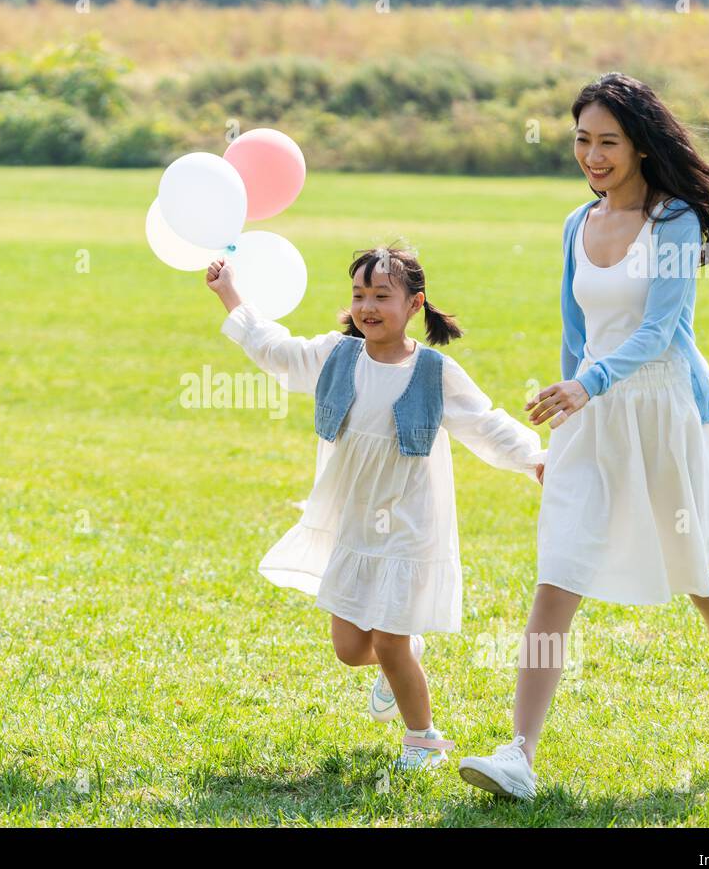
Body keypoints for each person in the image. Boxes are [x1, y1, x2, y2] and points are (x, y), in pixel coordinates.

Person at [459, 73, 709, 801]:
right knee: (557, 573)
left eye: (608, 142)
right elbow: (575, 332)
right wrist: (565, 424)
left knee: (701, 576)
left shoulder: (676, 220)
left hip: (662, 411)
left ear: (641, 145)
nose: (592, 154)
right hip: (591, 416)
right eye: (582, 139)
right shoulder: (574, 225)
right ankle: (518, 752)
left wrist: (586, 383)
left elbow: (659, 332)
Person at [208, 245, 545, 771]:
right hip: (354, 522)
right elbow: (275, 349)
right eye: (359, 294)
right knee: (349, 647)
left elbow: (485, 423)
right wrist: (230, 293)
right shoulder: (335, 355)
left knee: (388, 640)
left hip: (411, 523)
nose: (368, 306)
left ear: (415, 304)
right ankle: (402, 658)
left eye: (382, 296)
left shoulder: (434, 371)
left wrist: (534, 460)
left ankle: (422, 739)